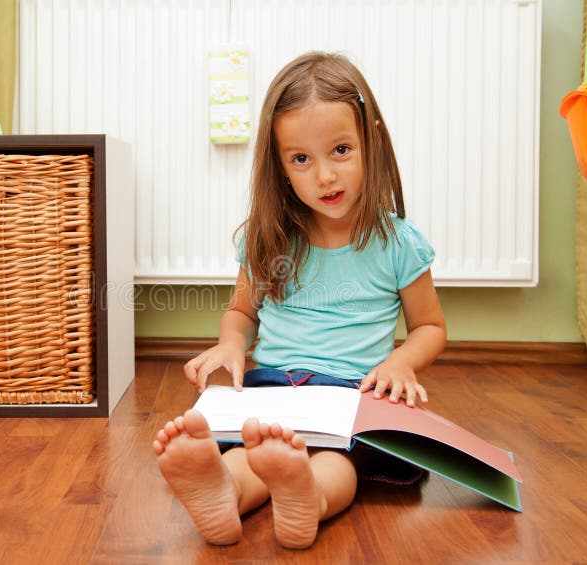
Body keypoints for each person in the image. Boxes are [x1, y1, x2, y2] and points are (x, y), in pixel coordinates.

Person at [152, 51, 446, 549]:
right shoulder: (269, 238)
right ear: (280, 165)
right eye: (302, 159)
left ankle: (305, 495)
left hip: (356, 395)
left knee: (337, 463)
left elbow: (430, 327)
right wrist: (229, 345)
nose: (325, 176)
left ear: (371, 140)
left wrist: (400, 364)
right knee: (251, 450)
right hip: (275, 389)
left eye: (340, 151)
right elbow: (242, 312)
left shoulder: (399, 243)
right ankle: (224, 493)